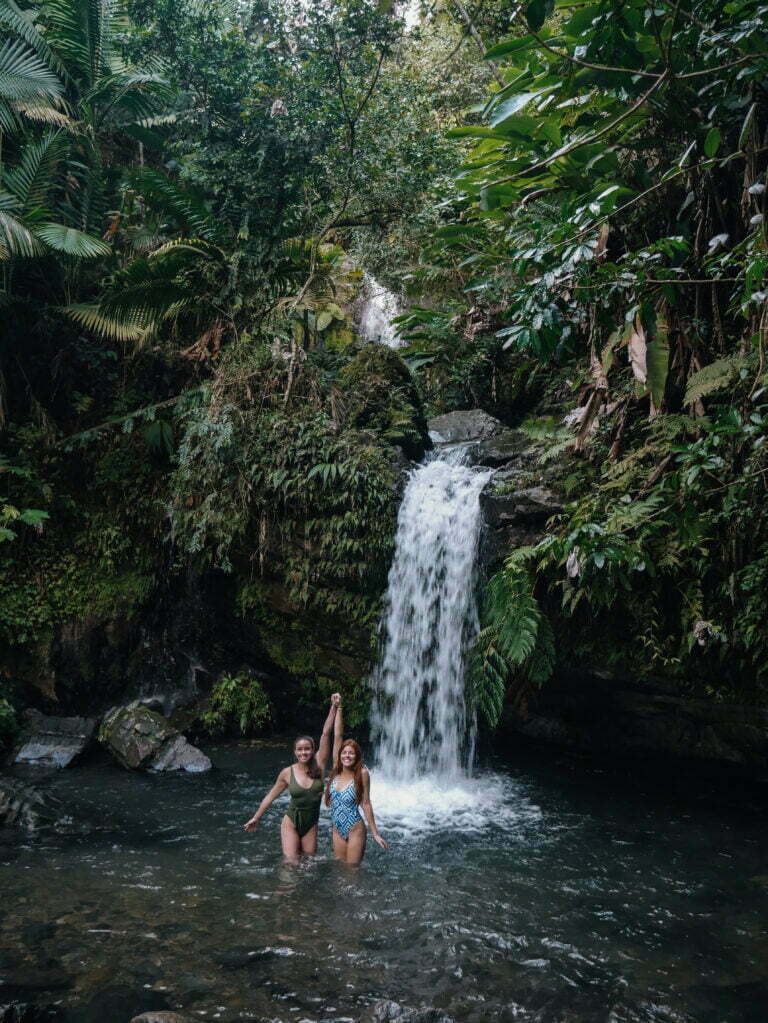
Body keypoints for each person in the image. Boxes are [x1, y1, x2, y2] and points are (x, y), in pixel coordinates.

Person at [243, 693, 340, 860]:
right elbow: (270, 796)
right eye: (300, 749)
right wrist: (256, 817)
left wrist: (334, 707)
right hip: (291, 822)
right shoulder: (287, 773)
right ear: (295, 752)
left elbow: (326, 734)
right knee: (291, 863)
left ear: (312, 749)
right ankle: (284, 887)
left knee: (308, 864)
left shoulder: (320, 764)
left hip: (311, 824)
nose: (304, 752)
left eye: (307, 749)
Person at [326, 695, 389, 864]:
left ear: (357, 756)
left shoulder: (362, 774)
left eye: (351, 753)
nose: (347, 755)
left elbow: (366, 803)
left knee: (352, 871)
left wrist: (375, 833)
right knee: (339, 869)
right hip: (337, 828)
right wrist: (338, 708)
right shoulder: (336, 770)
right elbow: (337, 736)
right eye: (344, 752)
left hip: (355, 828)